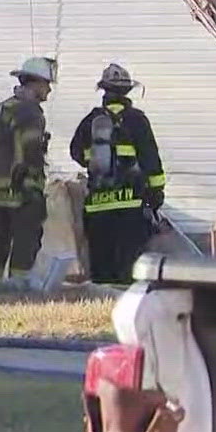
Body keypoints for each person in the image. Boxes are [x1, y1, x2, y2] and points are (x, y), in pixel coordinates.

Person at [70, 63, 167, 284]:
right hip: (129, 206)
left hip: (97, 205)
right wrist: (156, 193)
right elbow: (150, 160)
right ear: (127, 92)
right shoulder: (137, 120)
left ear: (104, 91)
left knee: (101, 264)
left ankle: (100, 301)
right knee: (128, 266)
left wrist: (94, 162)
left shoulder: (89, 121)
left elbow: (76, 152)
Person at [0, 57, 55, 282]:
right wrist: (32, 185)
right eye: (46, 83)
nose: (48, 89)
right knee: (26, 240)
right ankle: (19, 287)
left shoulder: (2, 108)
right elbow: (31, 152)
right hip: (22, 192)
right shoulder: (31, 112)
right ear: (35, 83)